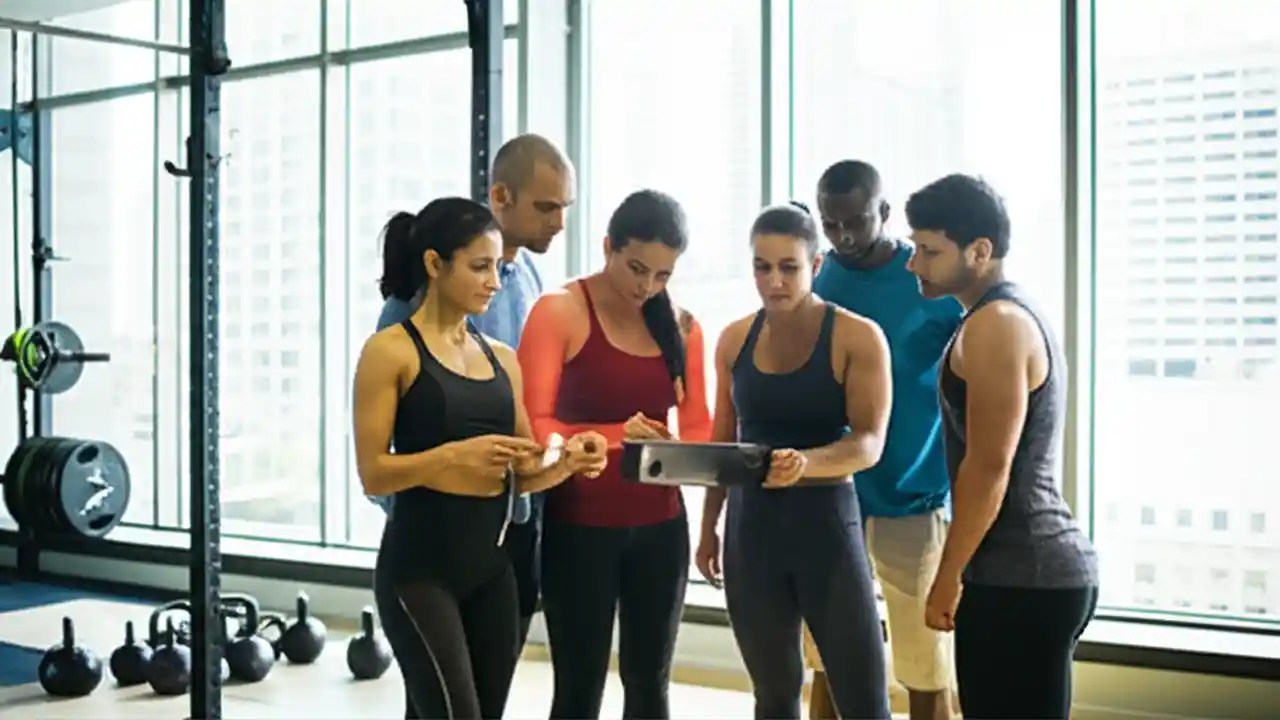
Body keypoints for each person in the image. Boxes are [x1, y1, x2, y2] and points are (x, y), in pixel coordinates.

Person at [352, 196, 607, 718]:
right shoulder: (390, 352)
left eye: (497, 266)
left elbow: (522, 471)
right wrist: (449, 458)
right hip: (419, 572)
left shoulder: (503, 361)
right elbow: (373, 472)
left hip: (492, 573)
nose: (494, 280)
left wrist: (565, 463)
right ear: (434, 264)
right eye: (480, 266)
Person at [905, 173, 1099, 719]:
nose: (913, 263)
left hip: (1024, 575)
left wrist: (948, 577)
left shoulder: (998, 325)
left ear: (980, 251)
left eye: (928, 251)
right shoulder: (998, 317)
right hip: (1025, 575)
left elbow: (989, 468)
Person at [516, 189, 713, 719]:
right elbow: (536, 428)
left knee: (650, 686)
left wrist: (680, 450)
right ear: (607, 247)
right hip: (578, 529)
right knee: (579, 687)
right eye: (636, 268)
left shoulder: (683, 327)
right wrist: (618, 434)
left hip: (661, 530)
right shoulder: (558, 310)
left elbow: (699, 430)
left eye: (663, 275)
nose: (646, 286)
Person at [695, 203, 893, 719]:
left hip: (827, 531)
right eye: (763, 267)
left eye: (789, 267)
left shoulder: (857, 336)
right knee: (775, 695)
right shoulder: (735, 339)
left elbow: (869, 442)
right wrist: (708, 528)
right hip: (751, 535)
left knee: (864, 699)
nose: (774, 281)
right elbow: (723, 441)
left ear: (817, 265)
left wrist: (806, 463)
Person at [802, 161, 963, 720]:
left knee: (925, 663)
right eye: (830, 222)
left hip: (912, 494)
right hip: (833, 493)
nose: (842, 234)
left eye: (855, 220)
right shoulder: (820, 277)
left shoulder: (926, 279)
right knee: (824, 657)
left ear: (884, 213)